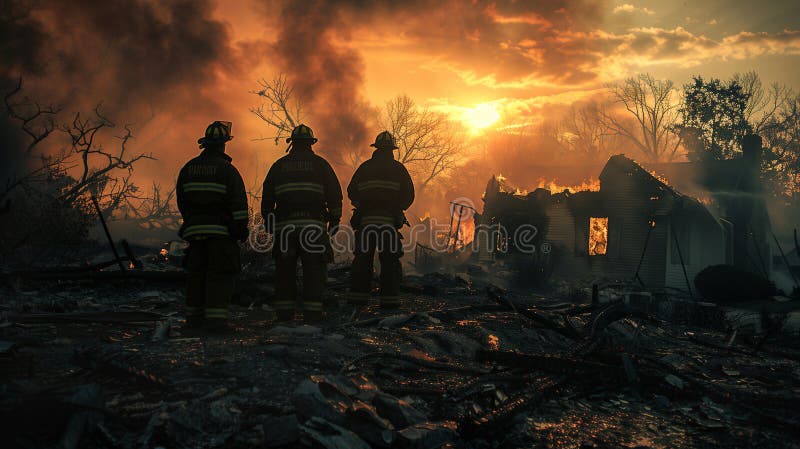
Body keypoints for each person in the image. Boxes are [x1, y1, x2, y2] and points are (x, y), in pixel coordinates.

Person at [261, 124, 342, 324]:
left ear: (292, 144)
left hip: (285, 229)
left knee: (285, 272)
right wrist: (335, 220)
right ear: (311, 144)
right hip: (313, 229)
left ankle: (284, 315)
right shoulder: (321, 165)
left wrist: (270, 223)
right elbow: (334, 195)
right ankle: (313, 315)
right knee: (314, 271)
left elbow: (267, 199)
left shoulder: (279, 166)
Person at [176, 121, 249, 331]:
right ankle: (215, 322)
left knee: (196, 275)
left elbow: (182, 201)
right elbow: (238, 203)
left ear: (205, 144)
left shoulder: (188, 168)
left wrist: (191, 221)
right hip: (221, 234)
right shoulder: (228, 170)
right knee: (219, 275)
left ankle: (193, 321)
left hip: (194, 231)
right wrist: (240, 227)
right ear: (223, 144)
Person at [347, 131, 414, 308]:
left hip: (366, 223)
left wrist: (361, 205)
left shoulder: (365, 167)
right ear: (392, 149)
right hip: (389, 225)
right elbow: (409, 195)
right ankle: (389, 302)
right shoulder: (399, 169)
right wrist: (398, 208)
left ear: (376, 148)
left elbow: (351, 191)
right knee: (390, 262)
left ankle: (358, 299)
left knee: (363, 260)